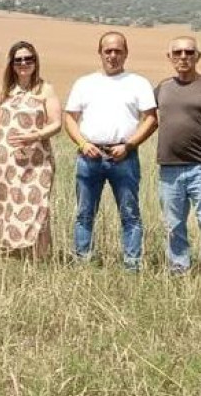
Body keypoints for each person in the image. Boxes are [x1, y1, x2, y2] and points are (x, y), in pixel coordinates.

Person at [63, 31, 157, 271]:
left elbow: (151, 119)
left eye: (118, 51)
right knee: (84, 214)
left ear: (126, 53)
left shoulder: (138, 83)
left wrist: (129, 145)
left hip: (124, 157)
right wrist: (83, 144)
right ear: (100, 53)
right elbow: (70, 118)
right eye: (108, 51)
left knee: (130, 214)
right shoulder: (84, 83)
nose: (113, 56)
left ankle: (132, 266)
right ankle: (83, 263)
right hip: (89, 156)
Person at [154, 36, 201, 278]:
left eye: (189, 52)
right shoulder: (162, 89)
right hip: (169, 169)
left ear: (198, 56)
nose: (183, 57)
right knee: (173, 225)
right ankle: (178, 273)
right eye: (177, 52)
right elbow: (147, 120)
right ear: (169, 57)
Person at [0, 41, 61, 259]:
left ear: (36, 62)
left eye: (28, 59)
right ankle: (9, 255)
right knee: (5, 204)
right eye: (18, 60)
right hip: (6, 162)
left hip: (36, 162)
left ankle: (40, 258)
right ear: (11, 64)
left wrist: (34, 136)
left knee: (38, 206)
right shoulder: (3, 90)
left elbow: (56, 124)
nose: (23, 63)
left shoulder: (45, 90)